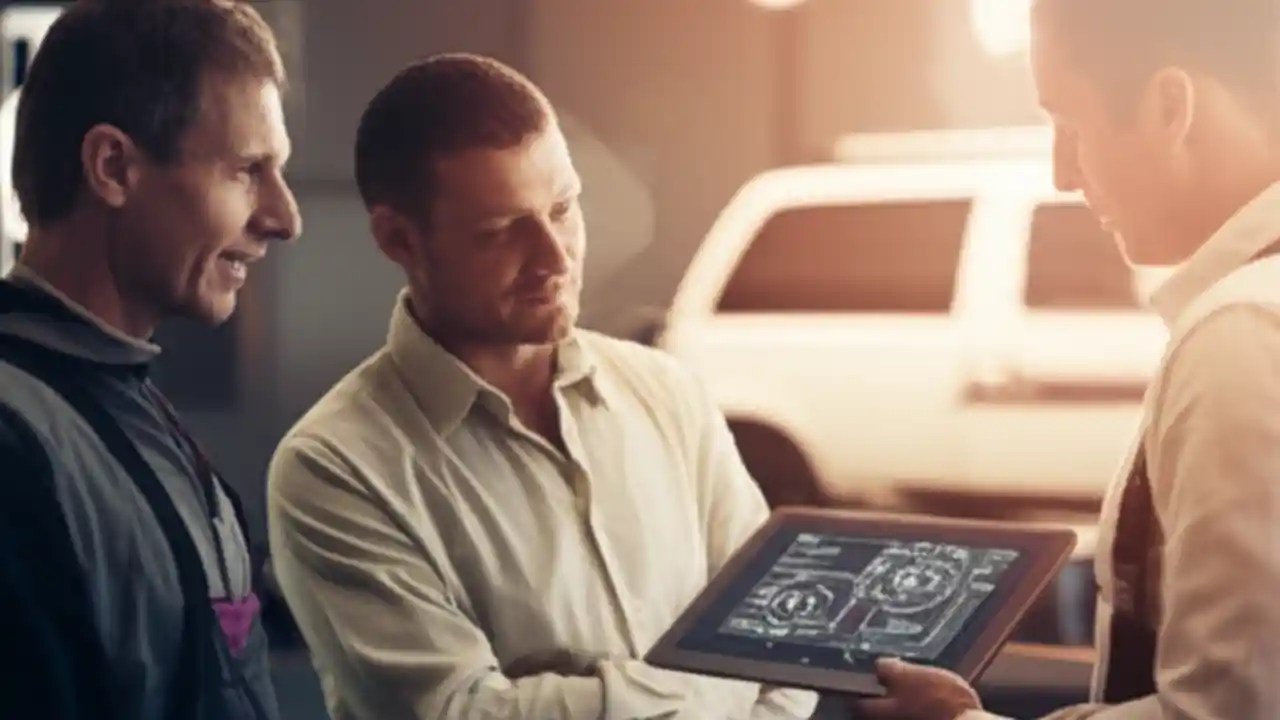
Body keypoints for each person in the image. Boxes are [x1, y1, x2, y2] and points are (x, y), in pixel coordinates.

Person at [266, 53, 816, 719]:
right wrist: (703, 693)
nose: (554, 257)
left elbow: (781, 648)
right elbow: (458, 713)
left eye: (563, 208)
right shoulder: (335, 467)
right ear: (399, 239)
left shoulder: (669, 395)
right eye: (502, 232)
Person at [856, 0, 1280, 718]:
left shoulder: (1242, 331)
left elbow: (1229, 709)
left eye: (1070, 125)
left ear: (1169, 107)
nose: (1061, 173)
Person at [0, 1, 301, 719]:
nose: (284, 218)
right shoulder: (16, 444)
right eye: (248, 170)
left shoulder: (127, 408)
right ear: (112, 167)